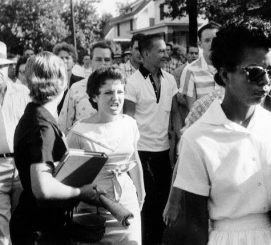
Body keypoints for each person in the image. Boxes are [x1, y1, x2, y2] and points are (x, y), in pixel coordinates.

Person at [165, 17, 271, 245]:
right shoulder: (197, 139)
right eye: (254, 72)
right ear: (225, 75)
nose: (265, 82)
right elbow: (194, 226)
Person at [10, 51, 108, 245]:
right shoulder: (41, 126)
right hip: (39, 230)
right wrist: (81, 192)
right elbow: (43, 188)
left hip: (40, 224)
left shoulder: (38, 117)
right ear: (63, 82)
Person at [66, 67, 145, 244]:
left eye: (120, 91)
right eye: (108, 92)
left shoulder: (129, 124)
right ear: (94, 97)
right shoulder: (79, 132)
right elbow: (69, 177)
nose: (116, 98)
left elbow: (135, 159)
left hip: (127, 203)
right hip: (93, 210)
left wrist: (141, 192)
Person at [124, 34, 181, 245]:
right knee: (146, 206)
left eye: (165, 50)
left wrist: (180, 140)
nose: (165, 54)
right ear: (145, 54)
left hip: (163, 153)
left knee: (163, 206)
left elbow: (175, 112)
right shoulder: (132, 83)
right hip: (141, 154)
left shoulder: (170, 80)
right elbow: (128, 120)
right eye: (161, 51)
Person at [0, 41, 30, 245]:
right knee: (3, 234)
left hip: (21, 165)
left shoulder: (22, 93)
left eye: (1, 66)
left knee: (24, 226)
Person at [58, 41, 114, 134]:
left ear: (112, 62)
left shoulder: (120, 90)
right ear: (91, 61)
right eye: (99, 59)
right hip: (82, 145)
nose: (103, 63)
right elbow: (64, 124)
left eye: (107, 60)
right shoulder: (76, 88)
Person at [179, 22, 224, 111]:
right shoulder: (190, 70)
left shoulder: (231, 68)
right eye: (207, 40)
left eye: (215, 40)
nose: (212, 44)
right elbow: (192, 110)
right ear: (200, 44)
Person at [53, 42, 84, 113]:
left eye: (67, 58)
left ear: (74, 62)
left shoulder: (81, 82)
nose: (64, 61)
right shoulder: (51, 83)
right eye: (61, 58)